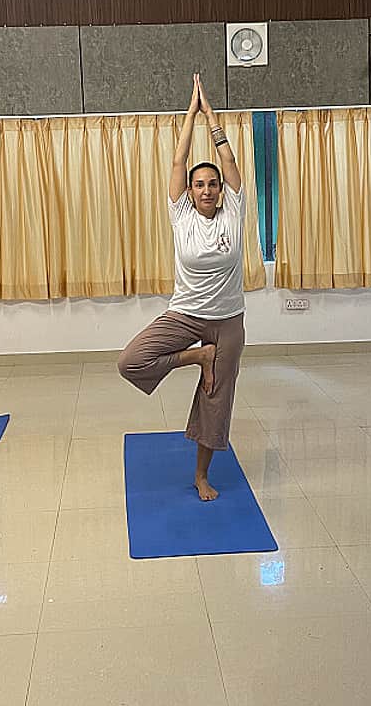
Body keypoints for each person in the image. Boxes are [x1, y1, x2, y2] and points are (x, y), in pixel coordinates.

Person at [118, 74, 246, 501]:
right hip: (185, 313)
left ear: (221, 191)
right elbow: (177, 164)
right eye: (199, 184)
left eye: (213, 184)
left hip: (227, 321)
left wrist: (214, 119)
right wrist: (190, 115)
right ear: (189, 192)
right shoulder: (181, 215)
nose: (207, 189)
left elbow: (229, 165)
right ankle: (197, 357)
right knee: (131, 361)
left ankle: (201, 475)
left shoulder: (234, 212)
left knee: (216, 398)